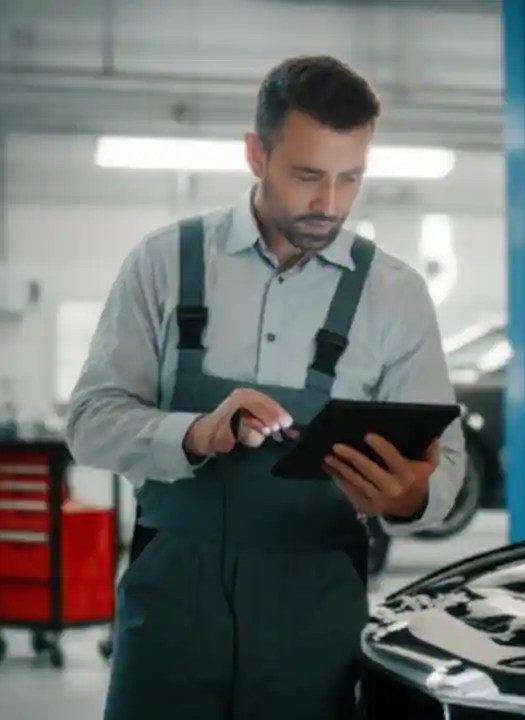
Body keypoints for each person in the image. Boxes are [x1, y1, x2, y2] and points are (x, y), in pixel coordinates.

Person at [66, 54, 466, 720]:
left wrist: (412, 495)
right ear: (256, 154)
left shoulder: (394, 296)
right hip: (172, 601)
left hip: (314, 609)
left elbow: (445, 465)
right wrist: (194, 432)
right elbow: (89, 422)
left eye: (350, 178)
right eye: (307, 175)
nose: (329, 203)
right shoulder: (165, 263)